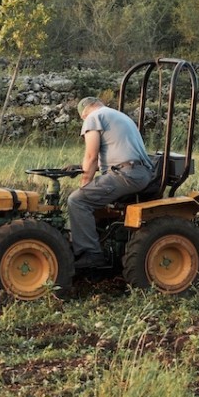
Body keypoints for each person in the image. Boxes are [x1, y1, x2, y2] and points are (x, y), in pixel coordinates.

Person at [68, 97, 154, 269]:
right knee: (89, 198)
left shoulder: (93, 118)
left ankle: (91, 253)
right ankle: (97, 242)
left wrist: (85, 184)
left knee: (77, 201)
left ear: (83, 115)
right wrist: (80, 167)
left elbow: (92, 156)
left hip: (126, 174)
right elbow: (115, 153)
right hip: (138, 172)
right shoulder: (117, 115)